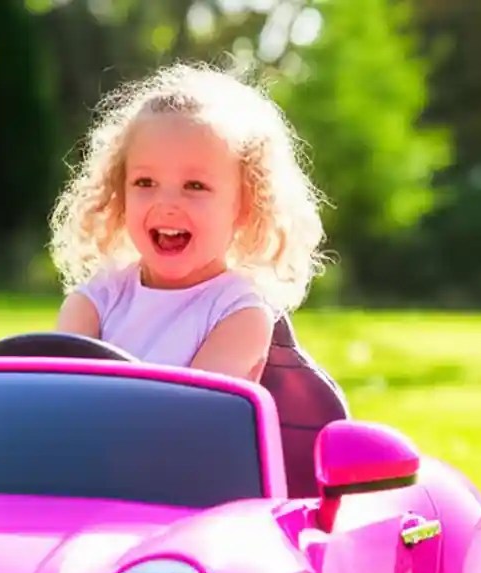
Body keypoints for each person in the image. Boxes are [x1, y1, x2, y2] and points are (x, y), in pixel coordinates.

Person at [48, 61, 329, 382]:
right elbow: (61, 395)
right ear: (118, 193)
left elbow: (189, 416)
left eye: (195, 186)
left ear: (248, 205)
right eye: (144, 183)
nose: (166, 204)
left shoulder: (238, 312)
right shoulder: (98, 298)